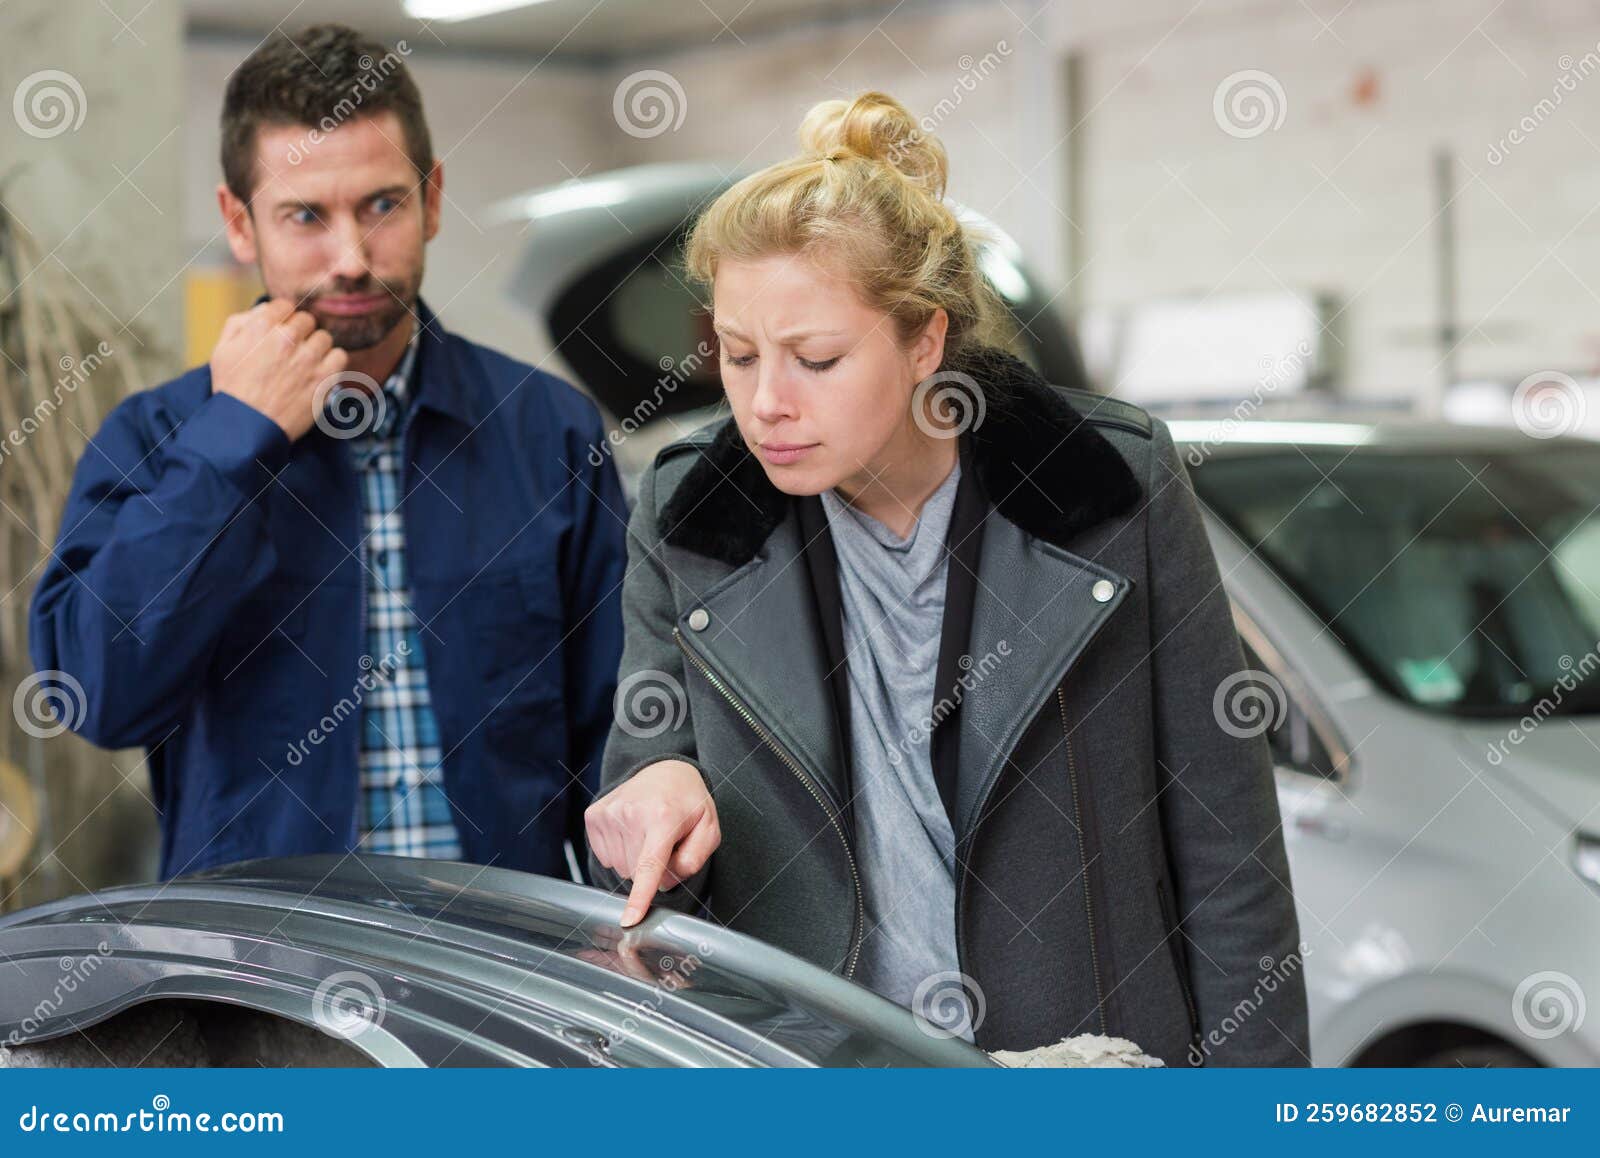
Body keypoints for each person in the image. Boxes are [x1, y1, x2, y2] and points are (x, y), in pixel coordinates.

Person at [585, 91, 1310, 1066]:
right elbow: (648, 779)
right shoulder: (689, 517)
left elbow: (1226, 847)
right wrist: (656, 789)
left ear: (925, 339)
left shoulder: (1113, 489)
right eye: (740, 355)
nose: (765, 405)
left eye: (816, 358)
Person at [28, 24, 625, 881]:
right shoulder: (157, 440)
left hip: (500, 969)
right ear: (240, 223)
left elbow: (617, 736)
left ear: (433, 197)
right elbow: (99, 693)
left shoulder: (550, 430)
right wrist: (236, 437)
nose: (351, 258)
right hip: (254, 977)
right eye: (305, 216)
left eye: (381, 205)